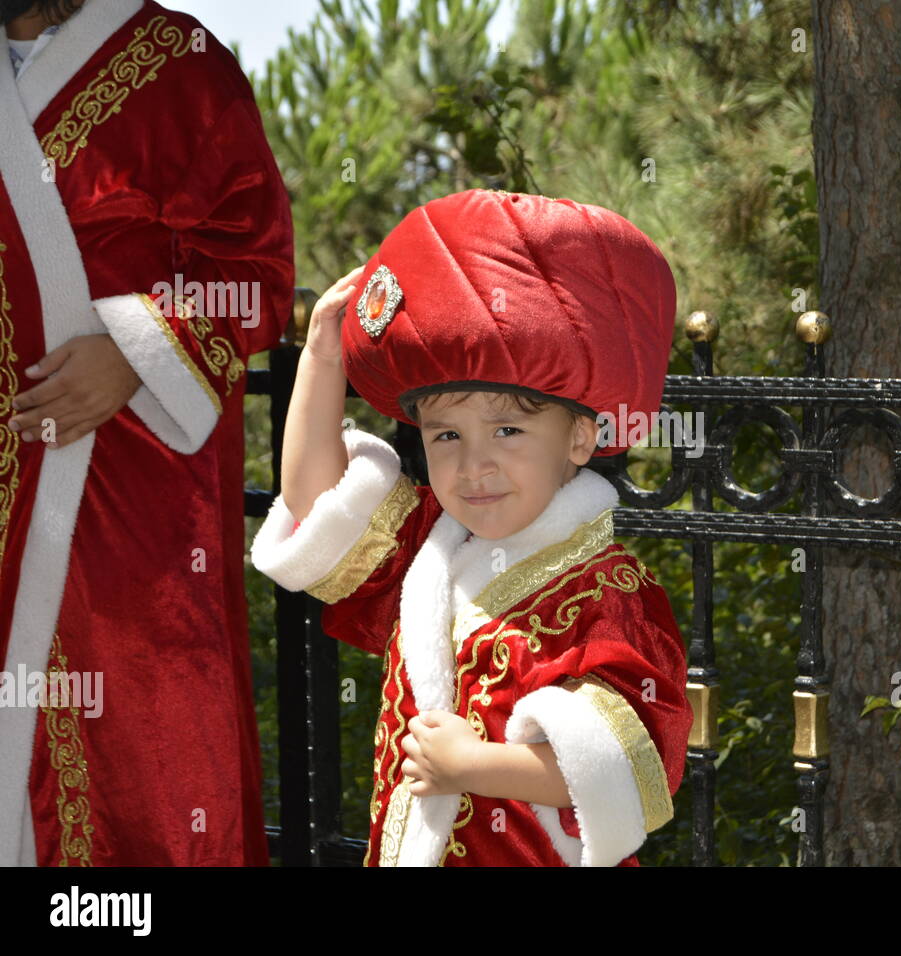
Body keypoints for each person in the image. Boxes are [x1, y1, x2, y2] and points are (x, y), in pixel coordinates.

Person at [251, 189, 691, 866]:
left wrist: (472, 765)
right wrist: (321, 358)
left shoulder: (611, 593)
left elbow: (629, 764)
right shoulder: (425, 548)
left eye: (508, 429)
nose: (474, 464)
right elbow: (314, 501)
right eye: (447, 434)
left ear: (579, 437)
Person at [0, 0, 294, 865]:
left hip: (124, 502)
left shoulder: (180, 64)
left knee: (145, 772)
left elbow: (261, 273)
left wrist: (134, 353)